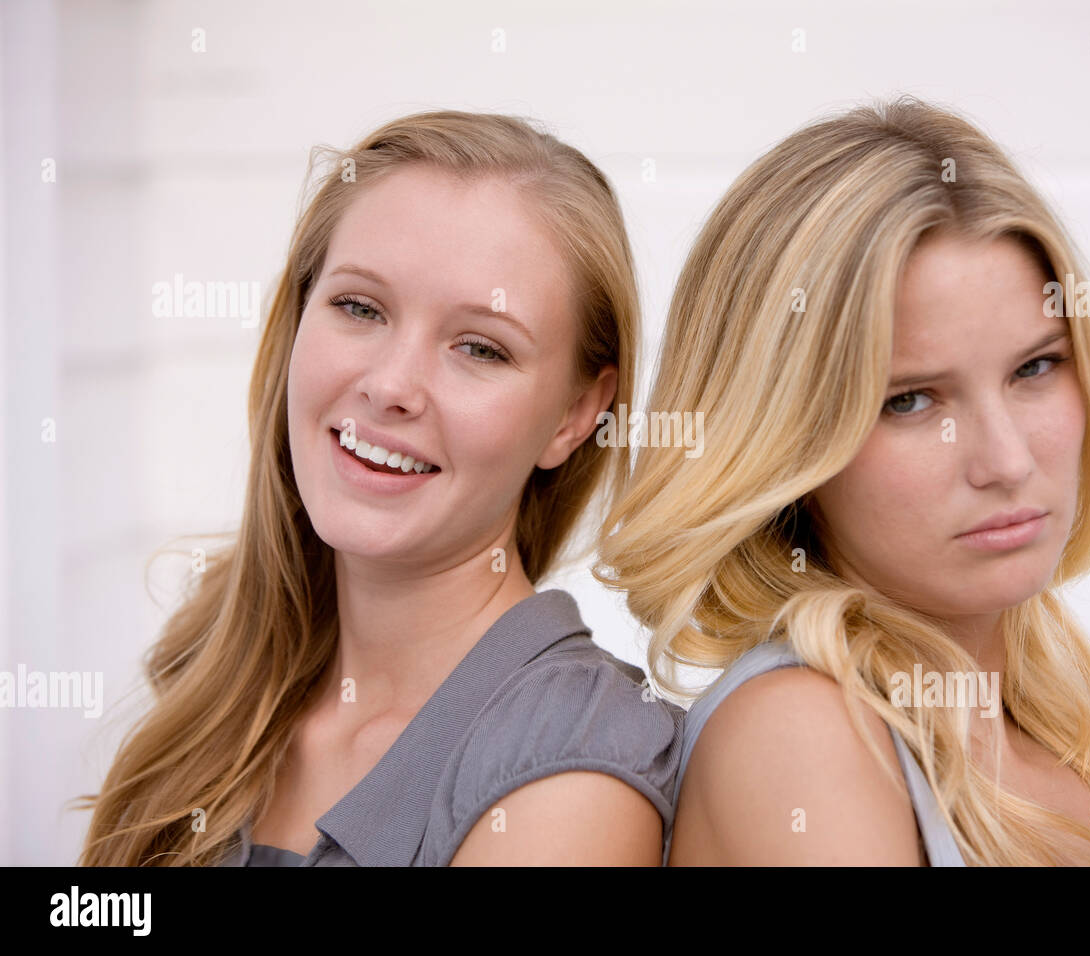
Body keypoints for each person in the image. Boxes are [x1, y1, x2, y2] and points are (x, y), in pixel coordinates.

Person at [595, 96, 1090, 866]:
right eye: (908, 400)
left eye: (1035, 367)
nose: (1005, 461)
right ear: (784, 440)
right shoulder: (796, 732)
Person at [76, 110, 682, 866]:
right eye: (360, 307)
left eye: (480, 348)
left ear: (574, 415)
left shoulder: (574, 769)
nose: (392, 385)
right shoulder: (220, 686)